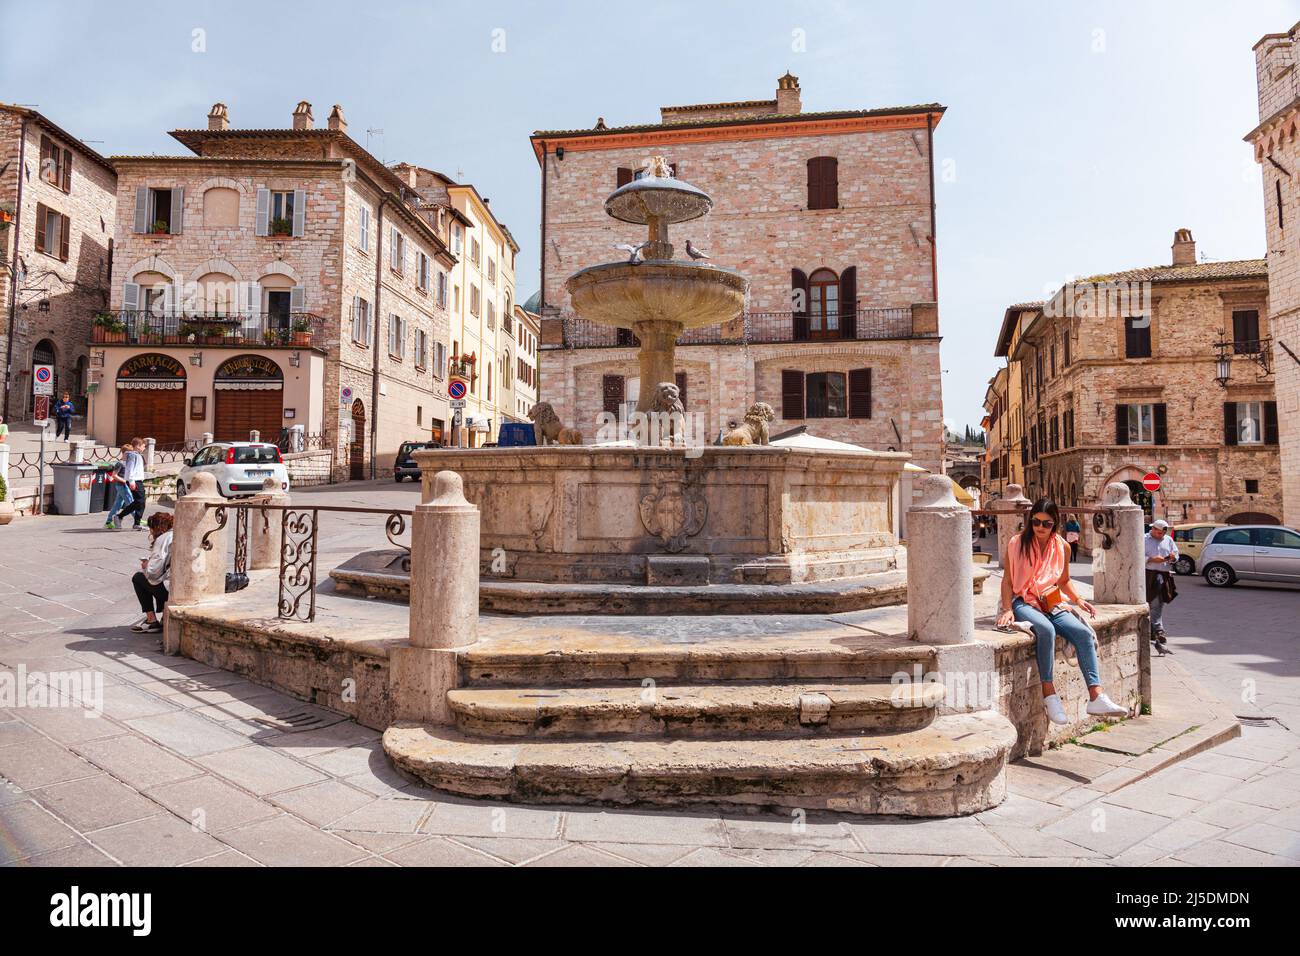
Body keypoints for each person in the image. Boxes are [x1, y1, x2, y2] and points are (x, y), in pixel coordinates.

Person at [997, 497, 1128, 724]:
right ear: (1030, 521)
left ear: (1055, 523)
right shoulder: (1016, 543)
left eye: (1046, 524)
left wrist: (1078, 600)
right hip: (1023, 601)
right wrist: (1008, 608)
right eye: (1036, 522)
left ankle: (1096, 696)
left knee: (1084, 633)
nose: (1040, 527)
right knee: (1046, 630)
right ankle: (1049, 694)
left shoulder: (1062, 546)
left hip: (1051, 601)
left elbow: (1064, 580)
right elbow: (1008, 580)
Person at [130, 512, 173, 633]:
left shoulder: (163, 539)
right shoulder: (176, 534)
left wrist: (145, 566)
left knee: (138, 578)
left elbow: (153, 573)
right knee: (155, 579)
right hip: (177, 585)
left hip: (169, 589)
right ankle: (163, 615)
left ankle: (151, 619)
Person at [1145, 518, 1179, 652]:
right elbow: (1136, 556)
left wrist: (1173, 557)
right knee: (1154, 602)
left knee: (1159, 602)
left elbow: (1176, 554)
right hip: (1149, 574)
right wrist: (1152, 559)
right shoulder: (1143, 539)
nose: (1161, 536)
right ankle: (1158, 630)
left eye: (1163, 534)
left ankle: (1154, 630)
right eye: (1159, 533)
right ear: (1153, 529)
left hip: (1163, 575)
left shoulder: (1168, 540)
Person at [103, 445, 136, 530]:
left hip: (123, 486)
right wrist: (124, 481)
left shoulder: (127, 463)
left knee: (117, 505)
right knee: (131, 502)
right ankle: (137, 519)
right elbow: (114, 475)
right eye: (130, 453)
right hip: (122, 486)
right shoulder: (120, 463)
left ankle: (108, 522)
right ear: (125, 453)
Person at [125, 437, 147, 529]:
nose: (144, 448)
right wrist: (131, 481)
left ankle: (121, 517)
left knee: (140, 501)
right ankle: (137, 523)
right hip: (135, 481)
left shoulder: (137, 455)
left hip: (138, 480)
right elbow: (130, 469)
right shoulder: (132, 456)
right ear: (138, 446)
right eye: (143, 446)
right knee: (140, 501)